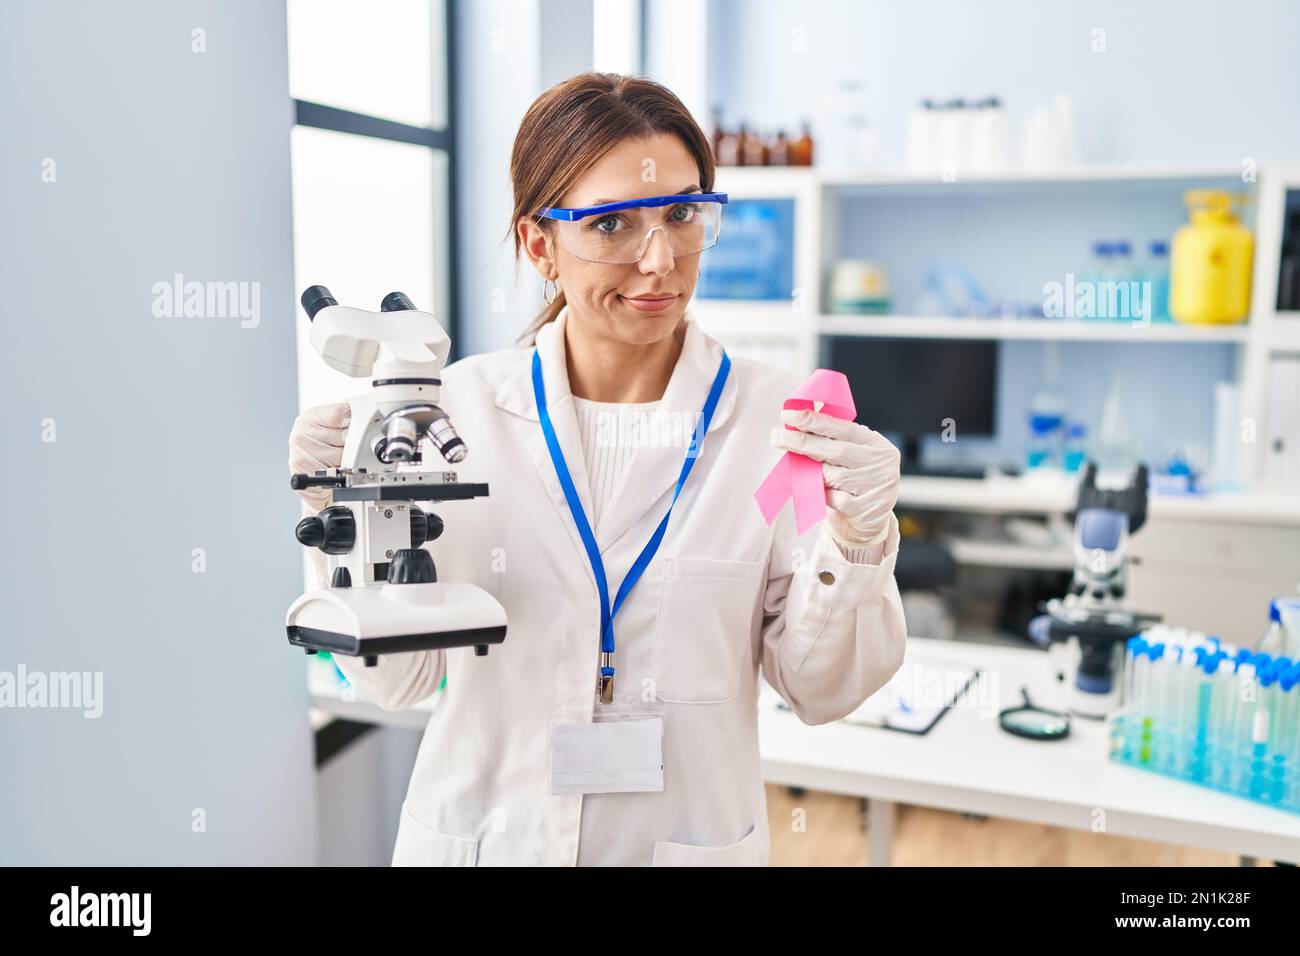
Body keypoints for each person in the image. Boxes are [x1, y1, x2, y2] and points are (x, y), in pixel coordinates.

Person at [288, 72, 905, 866]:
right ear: (540, 244)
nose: (660, 262)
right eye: (612, 223)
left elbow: (822, 691)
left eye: (683, 214)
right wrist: (344, 525)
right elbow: (396, 684)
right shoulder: (452, 416)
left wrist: (857, 544)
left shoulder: (779, 426)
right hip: (488, 840)